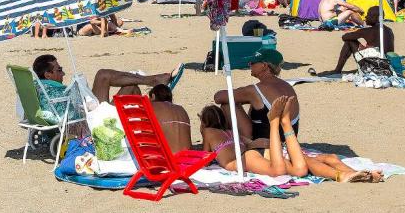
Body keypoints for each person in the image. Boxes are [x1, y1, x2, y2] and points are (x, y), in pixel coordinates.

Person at [199, 98, 378, 182]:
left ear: (204, 122)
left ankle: (275, 122)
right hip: (255, 152)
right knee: (302, 166)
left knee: (278, 170)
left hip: (241, 159)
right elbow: (248, 143)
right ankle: (348, 172)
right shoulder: (231, 132)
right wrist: (254, 144)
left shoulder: (208, 132)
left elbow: (205, 157)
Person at [30, 54, 179, 124]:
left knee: (128, 85)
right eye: (59, 70)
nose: (63, 73)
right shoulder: (51, 91)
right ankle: (154, 86)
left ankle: (153, 85)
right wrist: (79, 88)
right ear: (47, 74)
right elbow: (70, 113)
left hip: (86, 113)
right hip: (87, 121)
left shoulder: (39, 87)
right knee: (104, 75)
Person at [213, 48, 296, 149]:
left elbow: (218, 97)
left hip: (266, 144)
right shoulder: (287, 86)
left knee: (227, 104)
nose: (249, 65)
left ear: (264, 66)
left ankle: (246, 144)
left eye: (252, 62)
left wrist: (241, 99)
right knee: (243, 103)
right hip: (289, 142)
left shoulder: (255, 90)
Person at [327, 6, 394, 73]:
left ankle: (337, 70)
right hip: (386, 65)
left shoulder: (367, 30)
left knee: (349, 41)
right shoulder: (389, 30)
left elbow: (345, 37)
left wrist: (362, 43)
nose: (365, 17)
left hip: (374, 65)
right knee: (367, 48)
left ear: (375, 17)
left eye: (368, 15)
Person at [148, 84, 192, 153]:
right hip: (187, 158)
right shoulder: (181, 109)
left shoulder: (153, 106)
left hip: (168, 160)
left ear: (153, 96)